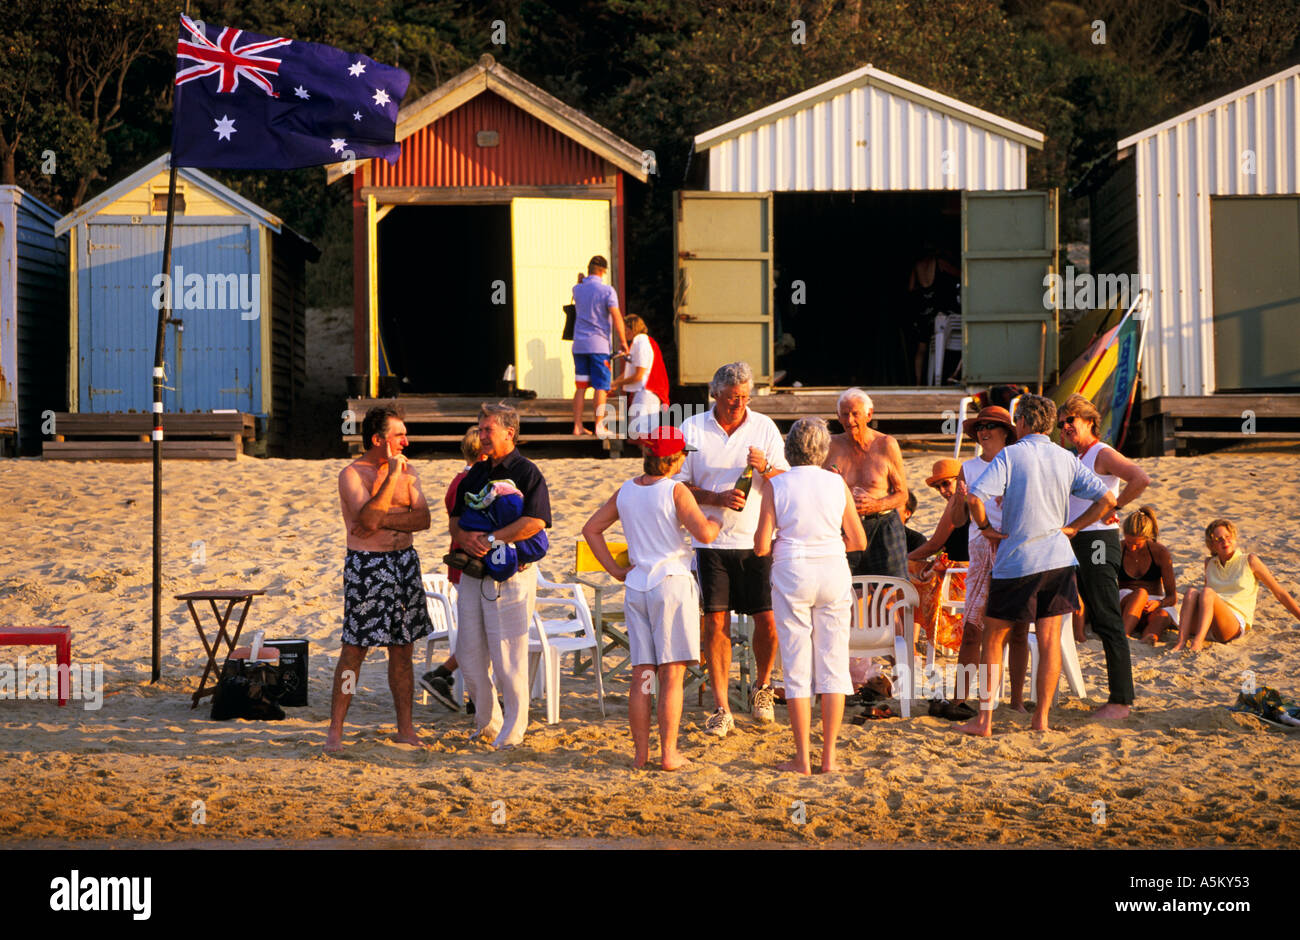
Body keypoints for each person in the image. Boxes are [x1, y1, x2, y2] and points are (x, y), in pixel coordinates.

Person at [959, 394, 1117, 736]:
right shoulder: (1066, 458)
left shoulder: (1011, 455)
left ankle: (984, 720)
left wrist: (987, 529)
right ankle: (1040, 719)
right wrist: (1075, 526)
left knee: (993, 638)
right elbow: (1108, 499)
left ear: (1023, 423)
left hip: (1017, 559)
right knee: (1049, 642)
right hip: (1059, 559)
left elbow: (974, 497)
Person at [582, 426, 720, 770]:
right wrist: (717, 521)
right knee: (671, 675)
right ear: (674, 459)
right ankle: (669, 754)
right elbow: (703, 532)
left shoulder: (626, 490)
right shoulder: (675, 490)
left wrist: (615, 569)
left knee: (643, 674)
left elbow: (591, 529)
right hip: (670, 583)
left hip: (638, 585)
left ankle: (641, 754)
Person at [676, 361, 790, 736]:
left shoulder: (764, 427)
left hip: (757, 538)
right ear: (715, 395)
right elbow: (677, 486)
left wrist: (767, 467)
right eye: (730, 398)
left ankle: (762, 688)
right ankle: (722, 706)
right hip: (709, 541)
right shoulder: (692, 427)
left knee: (767, 620)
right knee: (716, 622)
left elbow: (789, 481)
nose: (738, 405)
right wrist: (716, 497)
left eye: (743, 398)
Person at [755, 418, 866, 774]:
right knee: (833, 665)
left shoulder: (778, 484)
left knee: (797, 666)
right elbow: (858, 540)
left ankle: (802, 757)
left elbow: (760, 545)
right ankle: (829, 757)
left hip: (793, 571)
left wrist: (782, 545)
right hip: (832, 569)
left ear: (789, 449)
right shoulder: (837, 483)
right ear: (823, 450)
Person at [328, 406, 435, 753]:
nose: (406, 441)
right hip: (368, 565)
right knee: (355, 649)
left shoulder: (410, 470)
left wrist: (382, 518)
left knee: (403, 649)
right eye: (398, 435)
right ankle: (335, 731)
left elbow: (422, 519)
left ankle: (405, 728)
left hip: (404, 562)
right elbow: (367, 522)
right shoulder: (352, 474)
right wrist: (390, 479)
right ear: (378, 440)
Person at [449, 402, 552, 749]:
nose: (482, 436)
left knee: (508, 656)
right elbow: (454, 519)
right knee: (468, 654)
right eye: (479, 430)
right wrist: (465, 538)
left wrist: (493, 538)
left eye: (488, 430)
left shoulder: (527, 472)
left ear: (509, 432)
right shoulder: (476, 473)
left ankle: (514, 728)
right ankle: (487, 722)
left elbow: (536, 522)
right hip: (473, 574)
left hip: (512, 575)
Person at [1056, 393, 1150, 720]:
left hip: (1097, 539)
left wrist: (1118, 506)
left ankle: (1121, 701)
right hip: (1078, 539)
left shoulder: (1101, 452)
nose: (1065, 426)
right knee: (1082, 616)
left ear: (1089, 421)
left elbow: (1140, 478)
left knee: (1108, 618)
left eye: (1071, 420)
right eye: (1061, 422)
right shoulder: (1076, 456)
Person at [417, 426, 486, 712]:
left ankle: (467, 690)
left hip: (463, 562)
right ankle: (446, 677)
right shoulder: (470, 481)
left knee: (479, 631)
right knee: (480, 632)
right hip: (470, 564)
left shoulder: (460, 479)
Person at [1173, 519, 1300, 651]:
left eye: (1228, 537)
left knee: (1207, 592)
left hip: (1232, 625)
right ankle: (1180, 642)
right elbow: (1205, 602)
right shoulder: (1209, 563)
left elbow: (1279, 592)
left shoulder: (1249, 560)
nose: (1225, 541)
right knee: (1191, 592)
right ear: (1212, 545)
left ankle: (1197, 643)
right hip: (1209, 624)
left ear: (1233, 537)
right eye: (1219, 539)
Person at [825, 388, 910, 579]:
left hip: (883, 524)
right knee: (850, 590)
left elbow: (902, 494)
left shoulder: (886, 444)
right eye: (845, 415)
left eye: (855, 414)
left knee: (892, 591)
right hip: (845, 526)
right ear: (838, 417)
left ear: (869, 414)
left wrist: (877, 504)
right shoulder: (831, 446)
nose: (850, 420)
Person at [905, 458, 970, 664]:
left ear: (959, 481)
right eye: (938, 487)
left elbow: (934, 544)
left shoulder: (957, 502)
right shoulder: (973, 499)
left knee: (906, 576)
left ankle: (910, 643)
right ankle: (911, 641)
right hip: (968, 574)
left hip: (960, 578)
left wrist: (904, 559)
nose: (942, 490)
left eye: (946, 483)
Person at [570, 255, 627, 437]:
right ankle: (598, 425)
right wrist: (623, 341)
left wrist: (581, 281)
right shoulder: (607, 291)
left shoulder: (577, 289)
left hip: (579, 345)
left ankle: (577, 426)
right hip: (599, 345)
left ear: (589, 269)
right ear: (603, 271)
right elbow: (616, 317)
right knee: (600, 387)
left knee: (580, 387)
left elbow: (578, 292)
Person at [1117, 507, 1179, 645]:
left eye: (1137, 544)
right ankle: (1124, 635)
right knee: (1141, 593)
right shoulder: (1118, 549)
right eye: (1128, 542)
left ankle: (1149, 637)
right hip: (1126, 600)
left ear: (1147, 538)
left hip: (1152, 604)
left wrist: (1158, 603)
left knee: (1163, 614)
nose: (1132, 548)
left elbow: (1172, 597)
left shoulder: (1160, 552)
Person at [610, 313, 670, 438]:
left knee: (641, 434)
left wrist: (616, 383)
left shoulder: (641, 343)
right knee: (648, 435)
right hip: (649, 394)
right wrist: (615, 383)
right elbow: (631, 372)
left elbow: (638, 375)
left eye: (625, 329)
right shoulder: (643, 342)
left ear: (632, 328)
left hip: (645, 393)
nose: (623, 332)